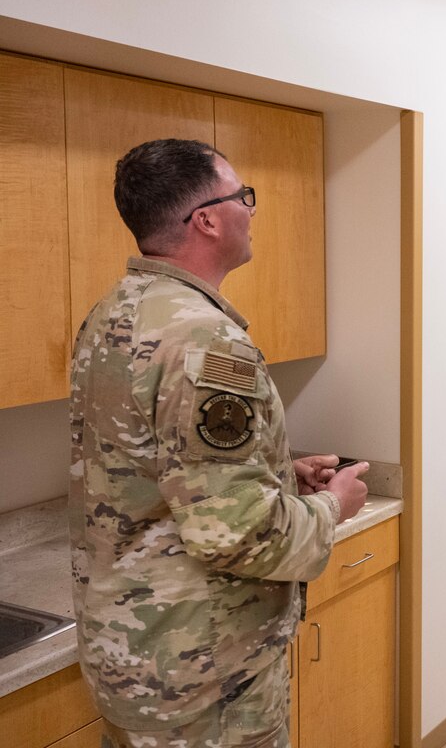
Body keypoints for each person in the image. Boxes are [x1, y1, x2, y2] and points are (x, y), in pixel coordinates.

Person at [68, 138, 370, 748]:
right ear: (206, 219)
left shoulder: (113, 313)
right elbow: (239, 533)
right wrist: (333, 504)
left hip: (133, 655)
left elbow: (152, 459)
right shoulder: (207, 340)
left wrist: (276, 472)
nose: (251, 211)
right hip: (206, 673)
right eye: (243, 197)